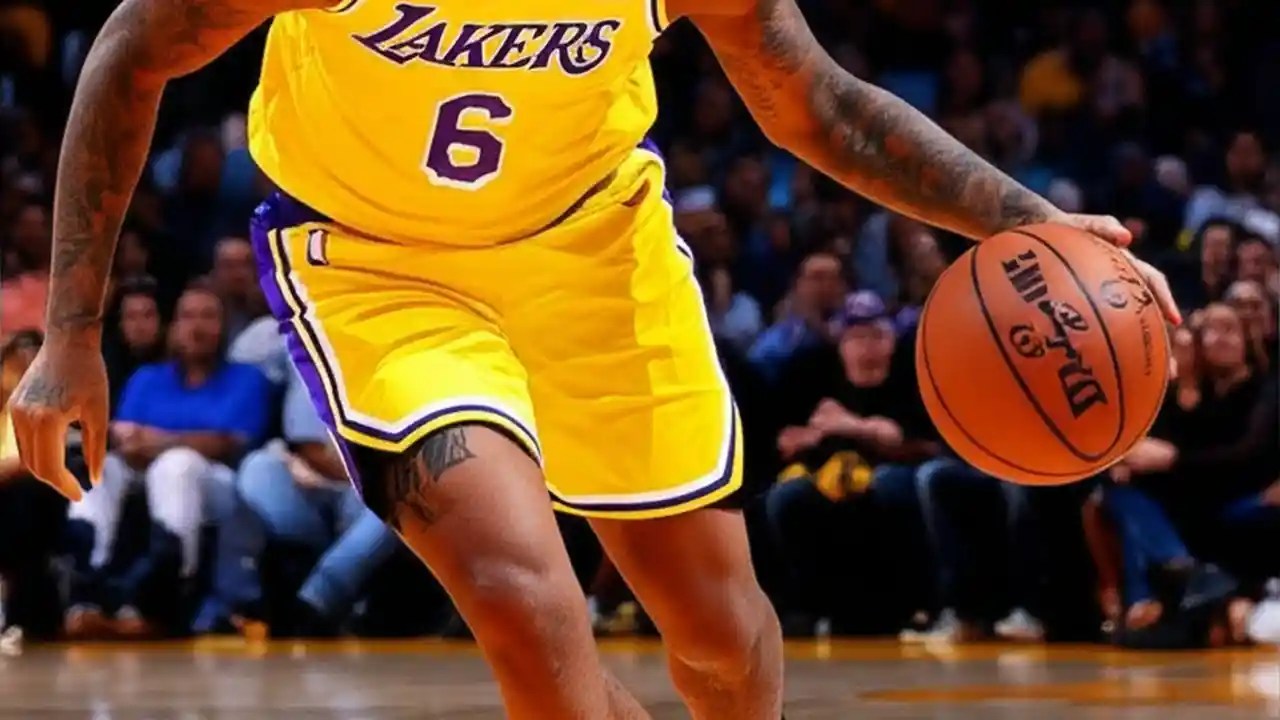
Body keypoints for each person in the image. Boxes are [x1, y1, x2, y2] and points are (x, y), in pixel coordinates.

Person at [9, 0, 1176, 717]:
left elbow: (811, 101)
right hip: (376, 264)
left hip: (593, 249)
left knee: (719, 640)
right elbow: (133, 45)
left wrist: (1027, 219)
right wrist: (70, 333)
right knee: (527, 603)